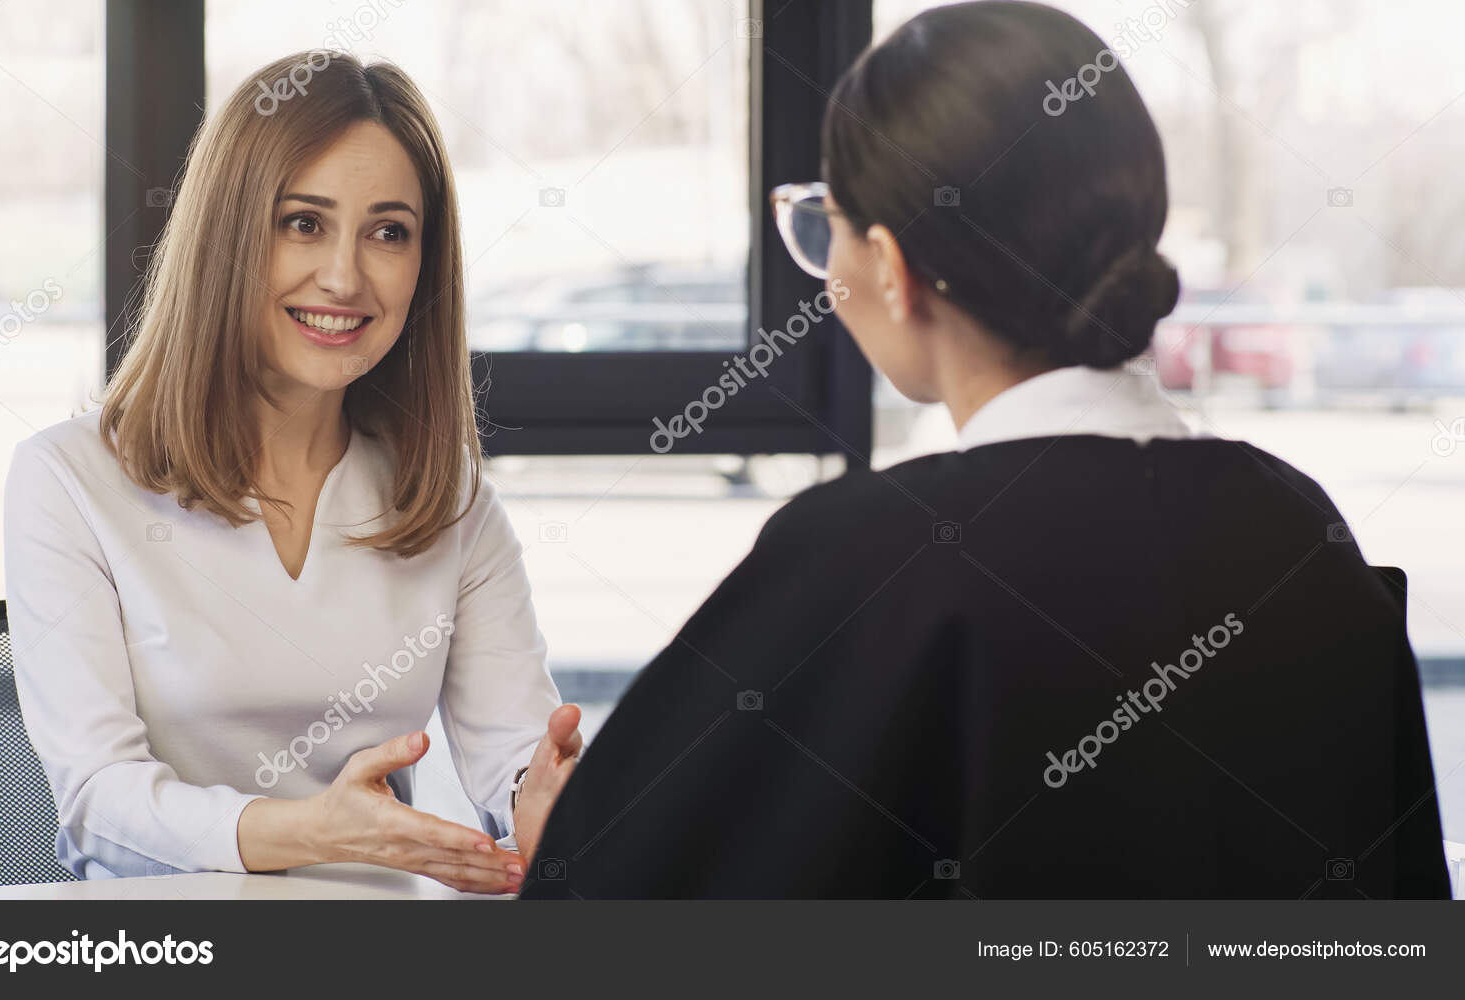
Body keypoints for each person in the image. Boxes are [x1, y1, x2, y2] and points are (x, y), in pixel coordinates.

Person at [520, 1, 1449, 899]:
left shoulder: (862, 557)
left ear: (890, 266)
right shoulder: (1299, 528)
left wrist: (568, 843)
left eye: (826, 228)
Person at [4, 51, 581, 891]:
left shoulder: (448, 502)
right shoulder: (68, 479)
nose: (345, 277)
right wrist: (310, 831)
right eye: (302, 223)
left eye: (390, 232)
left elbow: (513, 755)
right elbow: (99, 800)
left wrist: (546, 797)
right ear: (228, 234)